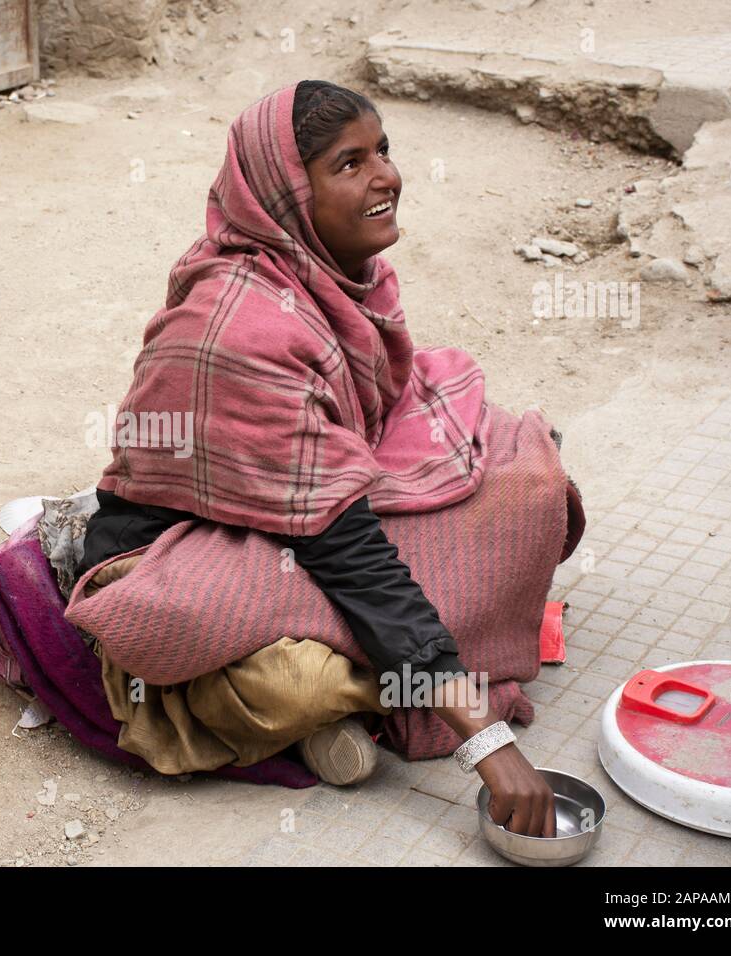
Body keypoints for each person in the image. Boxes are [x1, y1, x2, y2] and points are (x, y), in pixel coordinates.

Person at [75, 80, 558, 838]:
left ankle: (397, 670)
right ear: (286, 192)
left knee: (529, 484)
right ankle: (337, 703)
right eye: (349, 163)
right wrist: (486, 743)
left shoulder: (335, 273)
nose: (385, 177)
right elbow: (350, 552)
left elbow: (361, 448)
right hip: (185, 546)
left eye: (384, 151)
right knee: (293, 681)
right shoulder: (242, 327)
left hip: (309, 510)